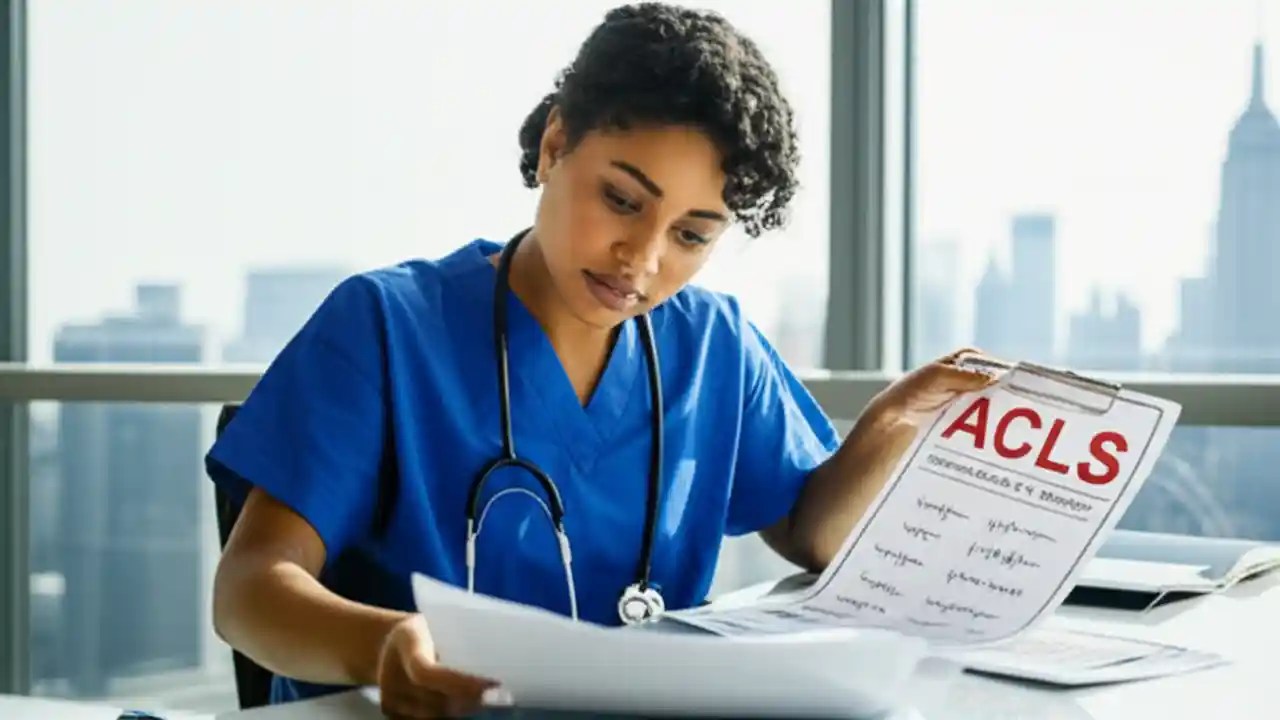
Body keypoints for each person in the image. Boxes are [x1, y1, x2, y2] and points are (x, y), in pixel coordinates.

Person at [206, 3, 991, 717]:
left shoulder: (713, 347)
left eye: (691, 235)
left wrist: (892, 419)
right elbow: (248, 592)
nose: (642, 260)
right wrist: (381, 644)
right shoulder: (386, 325)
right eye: (622, 200)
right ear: (555, 146)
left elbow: (812, 533)